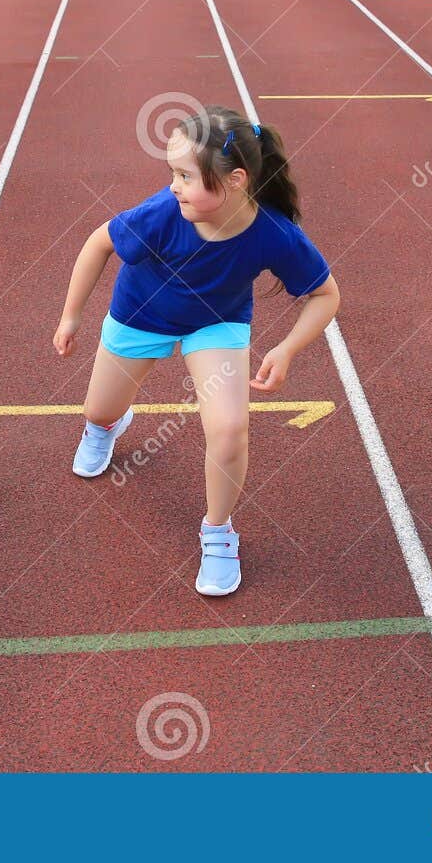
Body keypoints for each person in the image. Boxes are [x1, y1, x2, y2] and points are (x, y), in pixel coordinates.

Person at [53, 107, 341, 597]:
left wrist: (288, 348)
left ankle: (218, 531)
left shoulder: (273, 233)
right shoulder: (163, 214)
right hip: (141, 314)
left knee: (230, 428)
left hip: (217, 323)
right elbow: (98, 243)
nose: (174, 187)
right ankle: (105, 426)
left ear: (234, 180)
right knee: (99, 408)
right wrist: (71, 316)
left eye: (186, 176)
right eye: (173, 174)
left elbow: (325, 294)